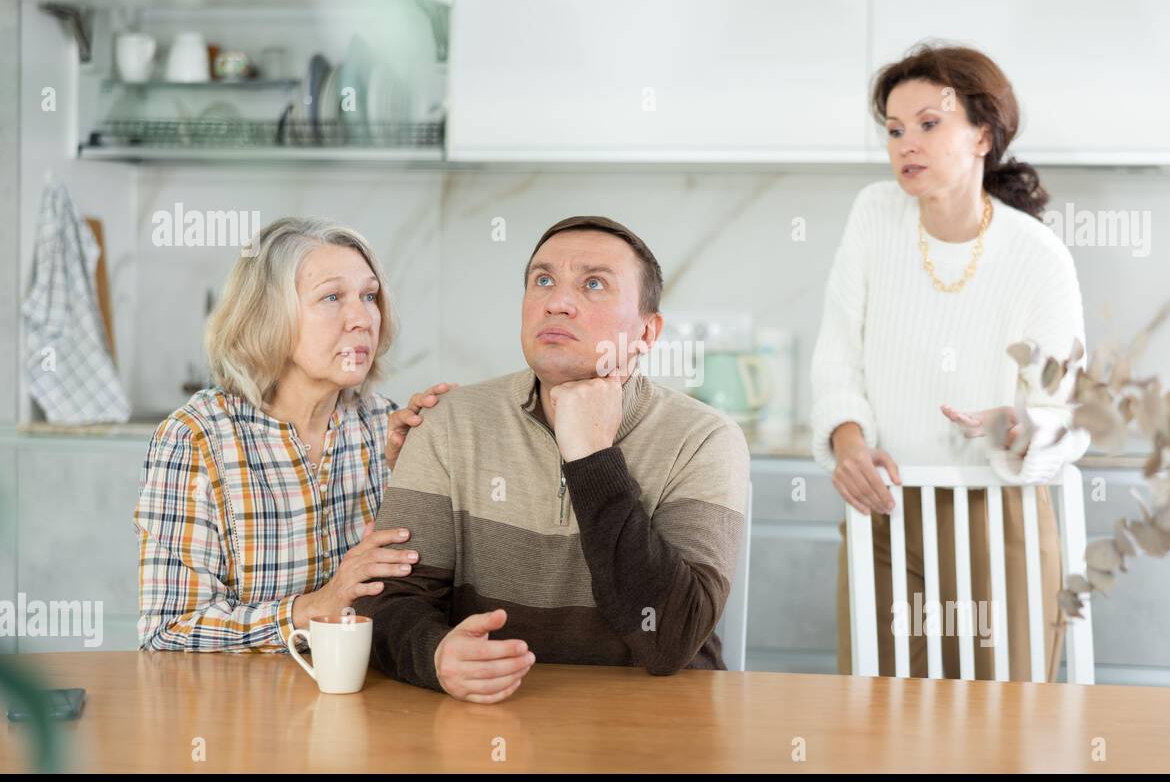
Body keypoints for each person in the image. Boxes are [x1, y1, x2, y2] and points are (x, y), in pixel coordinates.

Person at [355, 216, 751, 703]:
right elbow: (391, 600)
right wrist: (435, 654)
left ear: (648, 332)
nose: (558, 302)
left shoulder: (705, 439)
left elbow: (669, 638)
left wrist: (592, 457)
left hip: (661, 726)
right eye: (543, 281)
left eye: (593, 284)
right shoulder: (447, 422)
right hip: (491, 720)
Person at [810, 43, 1091, 680]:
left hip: (999, 521)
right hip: (884, 513)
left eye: (929, 125)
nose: (907, 143)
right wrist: (849, 444)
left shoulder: (1038, 257)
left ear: (982, 134)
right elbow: (837, 360)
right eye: (894, 130)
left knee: (1006, 737)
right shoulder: (874, 216)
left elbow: (1068, 411)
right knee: (878, 732)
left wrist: (1022, 429)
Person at [135, 217, 454, 651]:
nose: (362, 318)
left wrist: (424, 478)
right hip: (245, 710)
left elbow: (423, 595)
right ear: (267, 315)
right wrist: (316, 606)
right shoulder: (196, 439)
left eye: (369, 296)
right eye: (332, 297)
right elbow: (166, 633)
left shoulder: (385, 426)